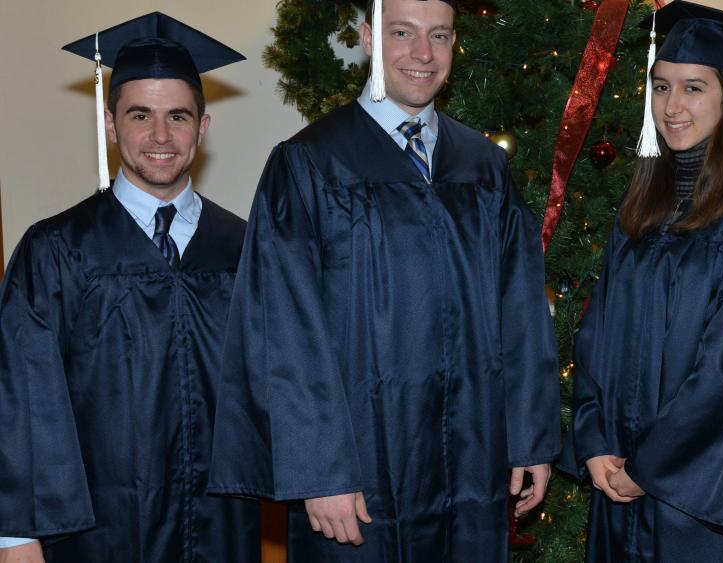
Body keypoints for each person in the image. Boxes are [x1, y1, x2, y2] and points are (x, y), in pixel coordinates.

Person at [206, 0, 560, 561]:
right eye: (403, 33)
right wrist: (318, 472)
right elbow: (283, 325)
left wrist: (531, 438)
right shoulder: (310, 163)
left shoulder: (482, 166)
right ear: (370, 39)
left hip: (472, 455)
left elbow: (518, 307)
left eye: (438, 36)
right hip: (357, 471)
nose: (423, 54)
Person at [0, 12, 260, 563]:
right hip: (96, 533)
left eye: (178, 117)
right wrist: (16, 533)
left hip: (222, 527)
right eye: (140, 115)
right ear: (112, 124)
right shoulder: (56, 250)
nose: (160, 136)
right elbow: (22, 397)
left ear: (203, 128)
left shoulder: (246, 248)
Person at [560, 2, 723, 561]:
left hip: (699, 497)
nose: (672, 106)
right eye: (661, 86)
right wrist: (595, 440)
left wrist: (654, 466)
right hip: (618, 475)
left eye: (693, 88)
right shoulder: (643, 202)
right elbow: (599, 331)